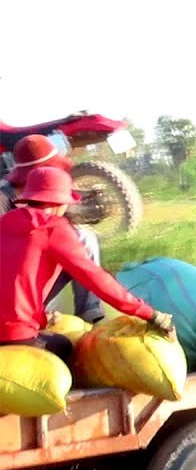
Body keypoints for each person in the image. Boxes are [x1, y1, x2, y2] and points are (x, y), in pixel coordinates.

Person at [0, 166, 173, 362]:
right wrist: (150, 314)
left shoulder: (5, 222)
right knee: (68, 348)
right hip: (15, 335)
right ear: (60, 203)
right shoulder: (53, 228)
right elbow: (96, 279)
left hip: (14, 326)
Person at [2, 134, 106, 323]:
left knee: (83, 238)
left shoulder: (45, 200)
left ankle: (90, 312)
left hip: (29, 285)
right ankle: (29, 316)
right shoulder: (3, 203)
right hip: (10, 294)